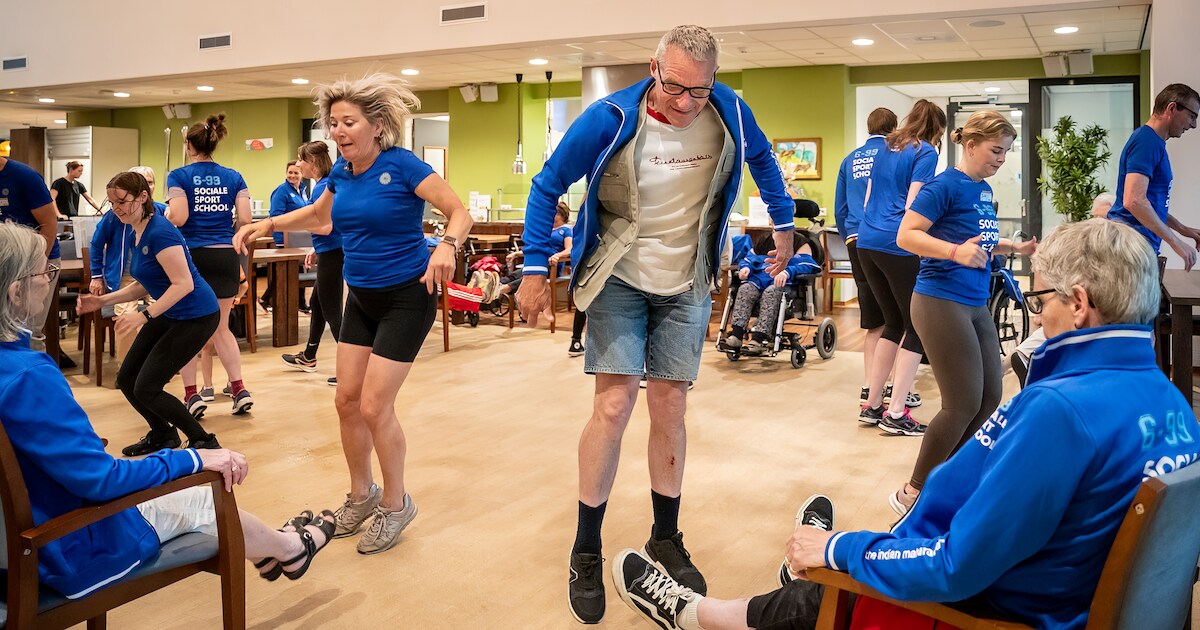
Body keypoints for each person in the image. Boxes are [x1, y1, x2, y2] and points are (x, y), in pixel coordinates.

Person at [612, 218, 1194, 630]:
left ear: (1080, 302)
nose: (1038, 313)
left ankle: (696, 614)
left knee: (828, 585)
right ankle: (802, 572)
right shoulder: (1171, 402)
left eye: (1043, 299)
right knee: (833, 565)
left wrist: (842, 550)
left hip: (1004, 607)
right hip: (1067, 592)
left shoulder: (1061, 411)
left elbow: (955, 567)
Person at [515, 25, 797, 624]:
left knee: (670, 408)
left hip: (687, 279)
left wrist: (784, 222)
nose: (686, 102)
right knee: (614, 407)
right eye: (674, 87)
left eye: (699, 89)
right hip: (620, 273)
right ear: (652, 69)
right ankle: (585, 547)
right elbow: (546, 186)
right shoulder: (610, 117)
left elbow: (764, 160)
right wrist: (536, 268)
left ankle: (664, 536)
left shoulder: (731, 112)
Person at [2, 221, 339, 596]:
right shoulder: (30, 377)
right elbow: (101, 481)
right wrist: (192, 460)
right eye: (43, 272)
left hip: (16, 544)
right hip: (63, 552)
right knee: (202, 496)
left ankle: (273, 549)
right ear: (16, 292)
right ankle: (291, 549)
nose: (49, 280)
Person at [234, 73, 472, 555]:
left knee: (373, 406)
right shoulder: (340, 173)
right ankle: (360, 497)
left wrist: (447, 245)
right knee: (346, 402)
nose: (339, 131)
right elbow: (322, 218)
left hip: (408, 296)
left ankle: (396, 502)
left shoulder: (403, 166)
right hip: (360, 296)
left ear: (377, 124)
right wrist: (268, 224)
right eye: (334, 123)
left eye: (349, 122)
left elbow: (459, 211)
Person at [895, 110, 1037, 515]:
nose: (1001, 160)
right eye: (996, 150)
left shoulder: (983, 191)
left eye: (1007, 152)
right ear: (970, 145)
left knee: (990, 397)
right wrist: (956, 252)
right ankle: (914, 492)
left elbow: (979, 242)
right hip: (940, 299)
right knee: (961, 403)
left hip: (974, 301)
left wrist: (1014, 249)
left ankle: (951, 481)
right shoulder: (945, 186)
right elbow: (907, 235)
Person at [78, 171, 223, 454]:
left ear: (143, 197)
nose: (116, 208)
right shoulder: (136, 229)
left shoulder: (161, 232)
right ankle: (163, 434)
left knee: (147, 387)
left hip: (196, 315)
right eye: (111, 203)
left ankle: (203, 440)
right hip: (172, 313)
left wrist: (143, 315)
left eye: (122, 201)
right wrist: (102, 300)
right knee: (127, 379)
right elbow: (144, 283)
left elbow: (183, 284)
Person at [855, 99, 946, 434]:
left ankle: (873, 404)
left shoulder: (888, 146)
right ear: (937, 129)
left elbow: (867, 200)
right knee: (917, 326)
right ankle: (896, 412)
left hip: (867, 240)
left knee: (893, 323)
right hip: (896, 242)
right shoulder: (926, 152)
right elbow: (914, 204)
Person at [165, 113, 255, 418]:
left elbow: (178, 217)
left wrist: (161, 220)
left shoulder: (179, 176)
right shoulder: (234, 176)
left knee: (188, 328)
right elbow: (245, 219)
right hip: (225, 257)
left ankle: (192, 396)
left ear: (189, 145)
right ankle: (239, 389)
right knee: (221, 328)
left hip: (192, 258)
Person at [834, 108, 897, 405]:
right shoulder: (896, 155)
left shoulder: (850, 160)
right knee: (897, 317)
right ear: (894, 128)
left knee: (873, 318)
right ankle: (894, 386)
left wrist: (850, 233)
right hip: (888, 241)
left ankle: (868, 383)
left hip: (856, 239)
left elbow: (840, 208)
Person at [1107, 83, 1200, 268]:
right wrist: (1176, 242)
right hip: (1129, 248)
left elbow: (1151, 204)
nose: (1194, 125)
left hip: (1138, 245)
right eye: (1192, 116)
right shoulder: (1146, 141)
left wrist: (1184, 231)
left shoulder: (1155, 143)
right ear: (1172, 108)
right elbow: (1134, 201)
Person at [89, 165, 166, 364]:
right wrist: (96, 276)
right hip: (125, 276)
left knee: (163, 315)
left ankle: (158, 364)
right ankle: (127, 368)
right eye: (141, 182)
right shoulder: (115, 214)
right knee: (126, 320)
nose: (146, 187)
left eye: (150, 182)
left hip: (157, 275)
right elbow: (96, 245)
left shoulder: (162, 212)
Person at [281, 141, 341, 384]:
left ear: (312, 163)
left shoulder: (322, 189)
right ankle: (309, 355)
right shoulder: (323, 186)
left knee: (332, 311)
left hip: (335, 253)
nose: (297, 164)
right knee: (317, 303)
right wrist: (316, 248)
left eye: (300, 160)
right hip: (330, 251)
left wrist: (294, 222)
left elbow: (326, 227)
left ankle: (352, 369)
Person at [724, 229, 819, 354]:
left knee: (771, 292)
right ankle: (736, 335)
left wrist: (787, 272)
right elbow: (749, 258)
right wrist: (745, 267)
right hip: (759, 281)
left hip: (784, 285)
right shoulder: (764, 239)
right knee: (745, 289)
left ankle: (759, 339)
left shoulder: (800, 241)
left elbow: (807, 264)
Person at [0, 156, 59, 353]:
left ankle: (35, 374)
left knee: (28, 329)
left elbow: (49, 223)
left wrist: (36, 269)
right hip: (6, 262)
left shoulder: (23, 176)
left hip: (38, 261)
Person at [498, 200, 571, 326]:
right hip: (539, 262)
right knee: (523, 271)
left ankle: (505, 289)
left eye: (555, 213)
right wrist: (517, 253)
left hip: (552, 266)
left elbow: (570, 249)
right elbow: (536, 248)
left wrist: (557, 255)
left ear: (561, 215)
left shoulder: (566, 230)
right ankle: (499, 284)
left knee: (533, 274)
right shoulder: (546, 230)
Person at [262, 160, 310, 312]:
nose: (293, 175)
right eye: (290, 172)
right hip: (285, 239)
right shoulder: (282, 191)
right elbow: (275, 216)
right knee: (284, 273)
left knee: (299, 270)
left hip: (300, 239)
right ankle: (266, 299)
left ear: (302, 174)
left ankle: (300, 303)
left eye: (296, 172)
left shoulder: (302, 190)